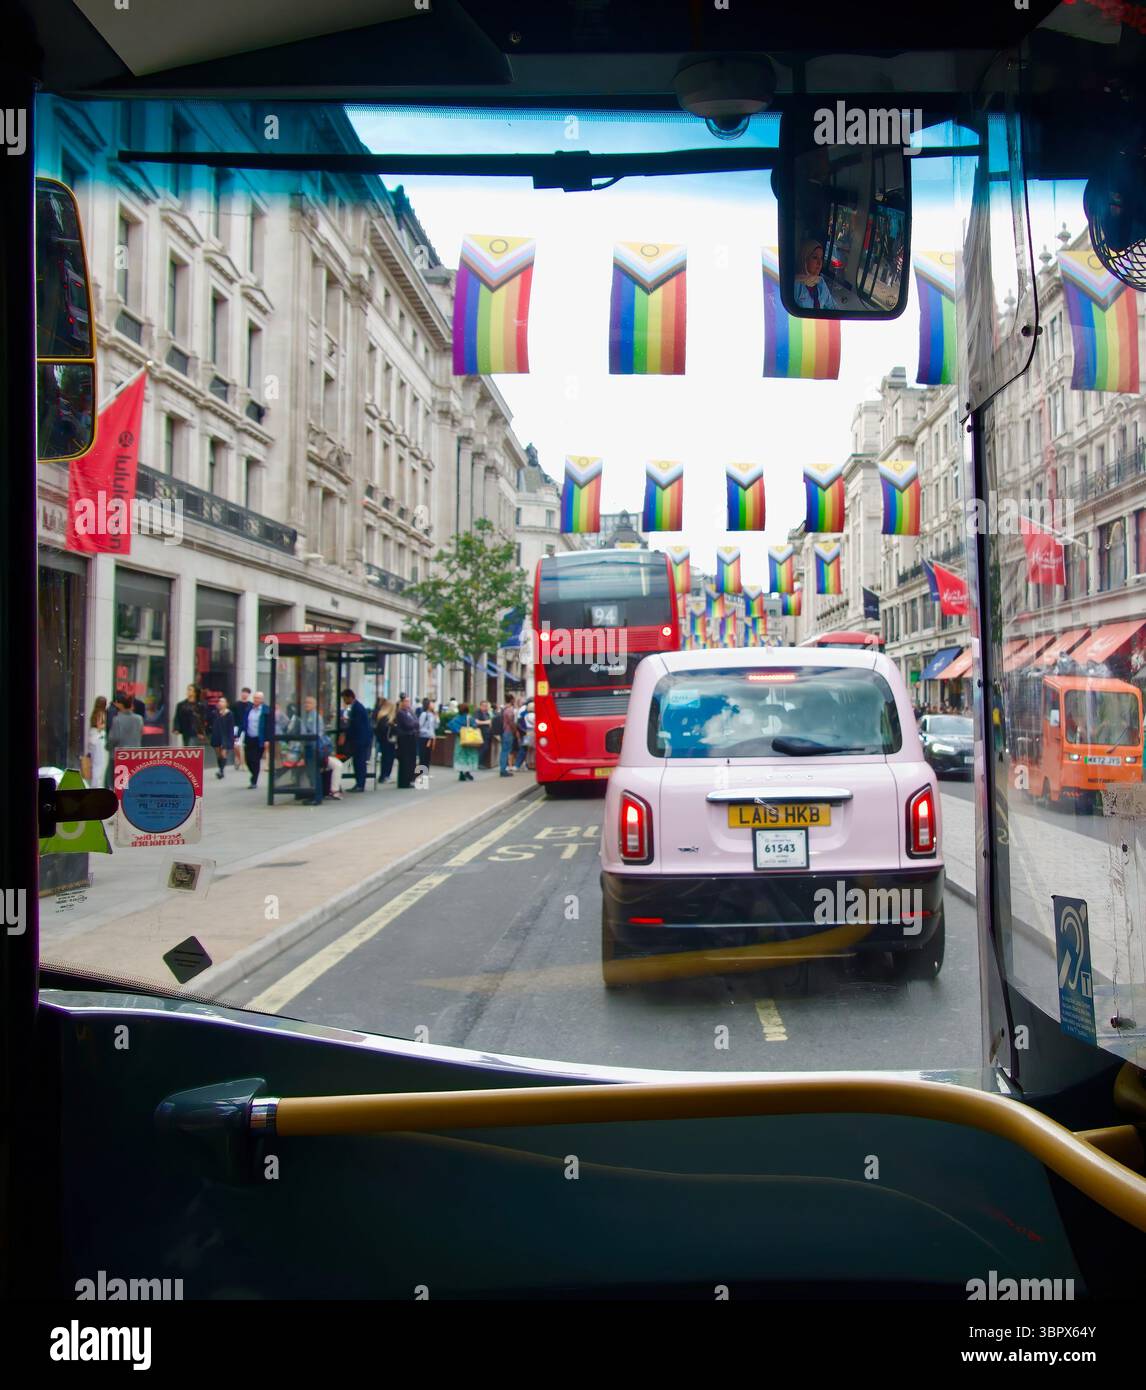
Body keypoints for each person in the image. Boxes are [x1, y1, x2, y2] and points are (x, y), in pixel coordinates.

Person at [105, 691, 144, 785]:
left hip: (119, 755)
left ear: (121, 705)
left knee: (115, 783)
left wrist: (108, 747)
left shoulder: (117, 719)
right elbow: (140, 733)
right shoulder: (139, 719)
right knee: (132, 781)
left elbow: (114, 738)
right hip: (134, 755)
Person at [339, 688, 373, 792]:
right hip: (360, 740)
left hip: (360, 741)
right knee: (358, 762)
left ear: (350, 697)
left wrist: (346, 733)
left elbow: (356, 725)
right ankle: (359, 783)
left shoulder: (357, 708)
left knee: (359, 762)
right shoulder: (356, 707)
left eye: (345, 698)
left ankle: (360, 785)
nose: (344, 701)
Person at [793, 239, 837, 310]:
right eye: (815, 257)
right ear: (805, 259)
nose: (819, 263)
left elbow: (832, 306)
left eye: (821, 258)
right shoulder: (796, 285)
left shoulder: (820, 282)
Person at [244, 691, 271, 788]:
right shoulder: (249, 709)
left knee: (255, 760)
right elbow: (245, 722)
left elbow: (269, 726)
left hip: (260, 739)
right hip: (249, 738)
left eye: (258, 698)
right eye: (255, 698)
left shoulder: (266, 710)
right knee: (248, 759)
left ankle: (254, 781)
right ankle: (253, 774)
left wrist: (267, 739)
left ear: (262, 700)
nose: (256, 700)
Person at [449, 703, 479, 782]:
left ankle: (461, 773)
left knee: (460, 756)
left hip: (460, 739)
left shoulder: (456, 718)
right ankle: (468, 772)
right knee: (469, 754)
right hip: (469, 739)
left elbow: (450, 725)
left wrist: (458, 731)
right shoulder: (469, 718)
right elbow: (475, 726)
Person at [208, 698, 237, 780]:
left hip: (226, 736)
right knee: (218, 754)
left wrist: (233, 737)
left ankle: (221, 770)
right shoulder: (215, 713)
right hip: (216, 734)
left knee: (223, 752)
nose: (220, 703)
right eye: (219, 701)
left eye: (222, 701)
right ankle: (220, 767)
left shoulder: (230, 714)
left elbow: (231, 727)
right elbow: (210, 722)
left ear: (226, 703)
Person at [395, 695, 420, 789]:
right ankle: (404, 781)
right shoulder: (400, 713)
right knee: (405, 760)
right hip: (405, 738)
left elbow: (416, 722)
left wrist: (414, 724)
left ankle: (410, 779)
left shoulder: (410, 712)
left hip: (412, 738)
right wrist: (413, 724)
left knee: (411, 760)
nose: (407, 703)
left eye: (408, 701)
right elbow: (407, 725)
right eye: (406, 701)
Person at [374, 697, 397, 784]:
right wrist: (393, 727)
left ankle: (385, 775)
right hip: (387, 741)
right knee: (388, 758)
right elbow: (384, 729)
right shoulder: (386, 718)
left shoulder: (382, 717)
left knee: (387, 758)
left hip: (385, 741)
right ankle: (385, 776)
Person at [87, 696, 109, 789]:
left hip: (93, 738)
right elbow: (100, 726)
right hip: (98, 738)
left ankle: (94, 784)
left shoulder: (94, 713)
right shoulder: (101, 713)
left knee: (95, 762)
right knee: (99, 763)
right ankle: (96, 785)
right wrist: (105, 725)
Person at [499, 695, 519, 777]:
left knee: (504, 751)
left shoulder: (504, 709)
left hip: (505, 731)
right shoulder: (509, 710)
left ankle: (503, 768)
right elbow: (511, 722)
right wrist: (515, 731)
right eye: (513, 700)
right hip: (508, 732)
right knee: (505, 751)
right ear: (511, 700)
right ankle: (503, 770)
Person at [417, 697, 436, 769]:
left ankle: (426, 773)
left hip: (431, 738)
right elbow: (420, 726)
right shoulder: (424, 714)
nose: (433, 705)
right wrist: (427, 733)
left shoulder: (432, 715)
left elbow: (435, 726)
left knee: (428, 757)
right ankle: (419, 773)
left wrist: (436, 718)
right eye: (432, 704)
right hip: (424, 737)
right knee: (423, 757)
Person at [475, 699, 493, 770]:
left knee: (485, 748)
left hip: (487, 733)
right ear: (481, 706)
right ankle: (478, 763)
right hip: (481, 733)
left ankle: (481, 763)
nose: (485, 707)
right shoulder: (478, 712)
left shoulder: (488, 713)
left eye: (486, 706)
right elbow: (476, 722)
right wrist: (487, 722)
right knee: (483, 748)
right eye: (484, 706)